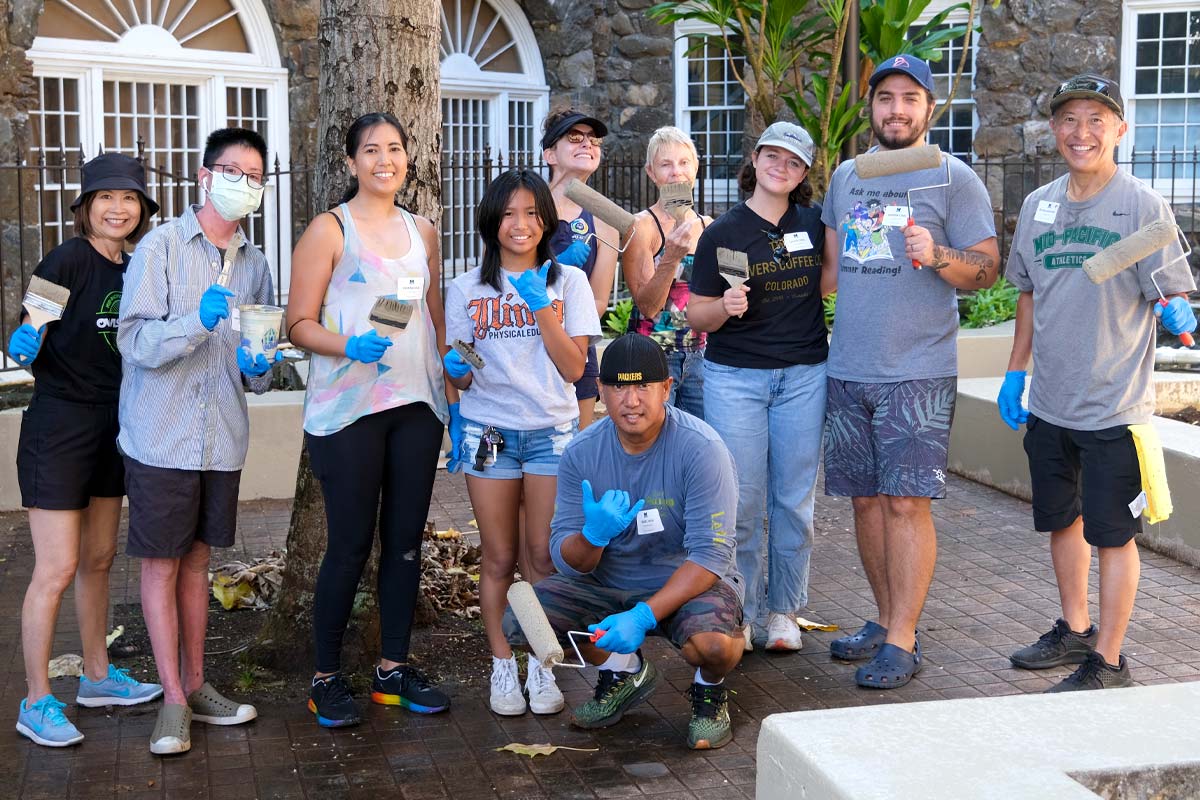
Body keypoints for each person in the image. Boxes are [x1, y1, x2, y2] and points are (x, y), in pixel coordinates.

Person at [999, 75, 1196, 691]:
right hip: (1051, 401)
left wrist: (1178, 310)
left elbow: (1169, 292)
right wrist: (1014, 371)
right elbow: (1029, 295)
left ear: (1118, 129)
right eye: (1069, 120)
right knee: (1062, 520)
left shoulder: (1142, 206)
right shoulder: (1039, 205)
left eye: (1095, 120)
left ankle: (1109, 659)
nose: (1081, 132)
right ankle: (1077, 628)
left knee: (1112, 533)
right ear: (1054, 129)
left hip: (1115, 405)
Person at [820, 55, 999, 688]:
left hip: (917, 370)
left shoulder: (954, 179)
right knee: (866, 503)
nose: (896, 109)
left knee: (905, 503)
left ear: (928, 109)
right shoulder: (848, 176)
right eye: (885, 98)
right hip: (849, 367)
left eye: (910, 99)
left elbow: (986, 269)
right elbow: (832, 273)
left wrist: (938, 253)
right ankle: (884, 618)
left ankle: (903, 637)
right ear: (871, 107)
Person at [287, 112, 454, 727]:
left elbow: (435, 320)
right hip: (349, 410)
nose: (385, 159)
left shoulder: (425, 232)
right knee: (350, 546)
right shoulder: (329, 230)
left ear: (408, 158)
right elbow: (297, 323)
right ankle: (325, 679)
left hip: (417, 407)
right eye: (371, 150)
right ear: (351, 161)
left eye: (395, 148)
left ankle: (392, 669)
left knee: (406, 547)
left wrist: (452, 387)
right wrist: (346, 344)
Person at [118, 127, 280, 754]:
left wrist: (260, 360)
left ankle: (196, 683)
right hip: (163, 439)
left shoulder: (256, 264)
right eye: (233, 171)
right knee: (160, 565)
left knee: (198, 564)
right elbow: (133, 343)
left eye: (255, 176)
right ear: (206, 176)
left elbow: (257, 372)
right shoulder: (158, 248)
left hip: (222, 441)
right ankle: (172, 702)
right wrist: (196, 322)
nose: (245, 183)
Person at [502, 333, 744, 750]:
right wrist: (593, 536)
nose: (630, 400)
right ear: (600, 391)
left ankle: (710, 691)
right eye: (618, 386)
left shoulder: (702, 448)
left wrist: (644, 615)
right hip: (607, 584)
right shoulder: (581, 453)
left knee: (714, 647)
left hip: (686, 582)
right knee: (522, 620)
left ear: (667, 388)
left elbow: (711, 555)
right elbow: (565, 559)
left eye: (643, 386)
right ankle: (624, 670)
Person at [8, 153, 162, 747]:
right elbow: (33, 326)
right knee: (56, 567)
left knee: (99, 559)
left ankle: (97, 677)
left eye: (129, 200)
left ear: (142, 211)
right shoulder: (65, 259)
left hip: (114, 427)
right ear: (86, 207)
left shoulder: (136, 268)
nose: (118, 208)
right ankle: (36, 699)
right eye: (106, 198)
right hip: (59, 426)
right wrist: (25, 339)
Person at [443, 169, 601, 717]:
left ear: (546, 221)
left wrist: (539, 305)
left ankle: (542, 663)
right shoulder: (466, 288)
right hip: (487, 433)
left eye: (533, 213)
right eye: (509, 213)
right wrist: (456, 369)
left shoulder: (569, 284)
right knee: (499, 556)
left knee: (542, 556)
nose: (521, 224)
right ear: (491, 221)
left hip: (551, 432)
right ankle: (502, 665)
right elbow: (463, 376)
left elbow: (575, 366)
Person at [687, 122, 828, 654]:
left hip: (803, 377)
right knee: (741, 502)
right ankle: (740, 611)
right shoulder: (722, 233)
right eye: (773, 155)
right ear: (756, 158)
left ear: (803, 174)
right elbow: (696, 310)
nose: (781, 166)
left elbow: (833, 279)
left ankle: (785, 610)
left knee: (794, 502)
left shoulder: (814, 227)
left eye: (793, 161)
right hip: (735, 379)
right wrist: (723, 308)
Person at [621, 125, 711, 418]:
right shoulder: (641, 226)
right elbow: (648, 306)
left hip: (702, 356)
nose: (676, 172)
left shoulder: (709, 226)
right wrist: (671, 257)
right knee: (652, 443)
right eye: (665, 164)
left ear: (696, 168)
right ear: (651, 173)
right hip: (653, 356)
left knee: (700, 444)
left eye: (684, 162)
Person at [542, 108, 619, 430]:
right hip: (519, 338)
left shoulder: (605, 219)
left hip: (576, 345)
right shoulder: (523, 206)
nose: (587, 144)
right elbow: (497, 278)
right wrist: (556, 268)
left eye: (594, 140)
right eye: (574, 137)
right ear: (549, 154)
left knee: (576, 449)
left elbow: (599, 300)